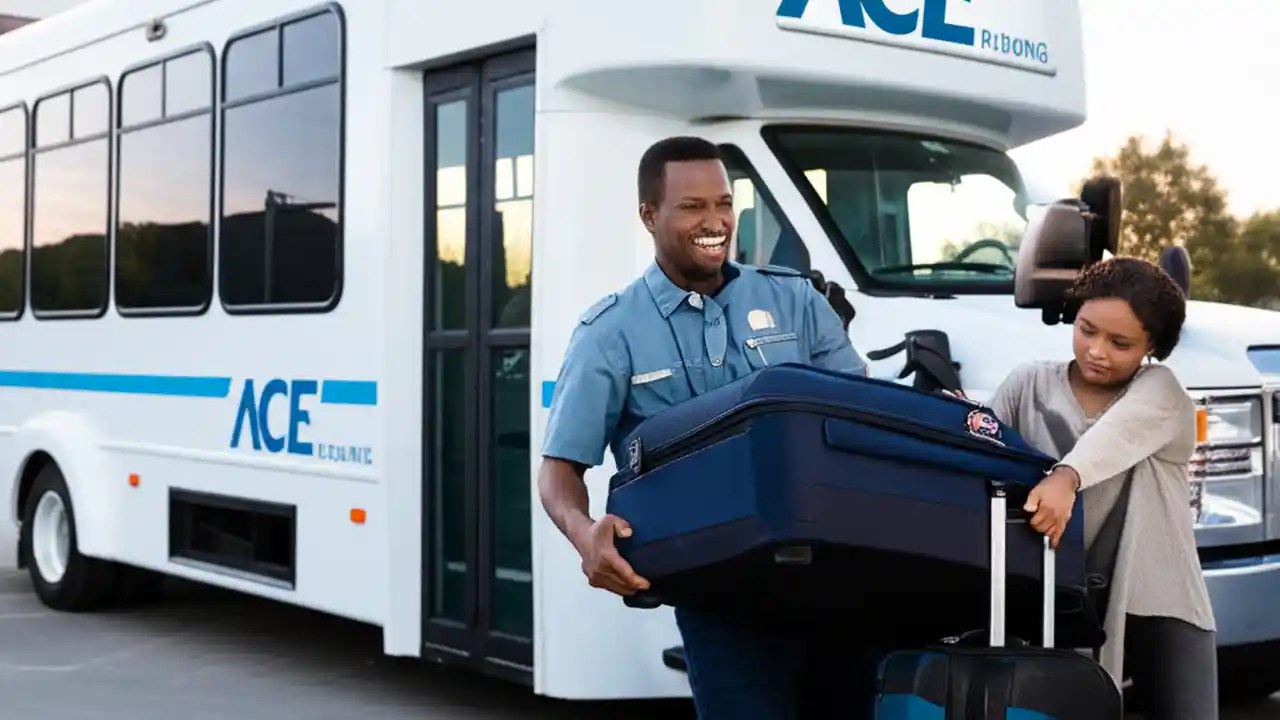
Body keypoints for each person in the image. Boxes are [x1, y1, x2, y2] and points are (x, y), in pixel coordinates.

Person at [536, 135, 880, 719]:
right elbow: (559, 468)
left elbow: (861, 413)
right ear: (650, 215)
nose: (716, 221)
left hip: (832, 583)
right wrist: (582, 531)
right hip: (717, 594)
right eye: (693, 206)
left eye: (724, 204)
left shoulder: (794, 299)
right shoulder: (609, 332)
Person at [988, 257, 1217, 720]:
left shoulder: (1162, 391)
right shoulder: (1026, 383)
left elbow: (1118, 434)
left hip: (1156, 606)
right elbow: (988, 455)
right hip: (1050, 598)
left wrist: (1065, 477)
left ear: (1152, 346)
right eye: (1087, 329)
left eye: (1120, 343)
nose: (1097, 350)